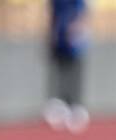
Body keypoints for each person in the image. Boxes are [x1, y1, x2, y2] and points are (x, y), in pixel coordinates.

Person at [44, 0, 88, 132]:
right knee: (59, 72)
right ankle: (61, 104)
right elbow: (52, 16)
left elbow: (81, 13)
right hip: (60, 39)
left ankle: (75, 106)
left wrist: (76, 30)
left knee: (73, 74)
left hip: (73, 41)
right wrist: (51, 36)